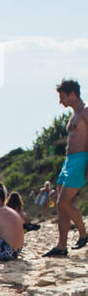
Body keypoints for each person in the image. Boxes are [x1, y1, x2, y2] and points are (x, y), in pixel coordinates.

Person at [45, 79, 88, 257]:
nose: (60, 101)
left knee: (64, 202)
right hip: (68, 161)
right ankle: (61, 246)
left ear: (72, 94)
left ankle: (84, 234)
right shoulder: (73, 115)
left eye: (62, 97)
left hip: (80, 160)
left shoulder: (86, 111)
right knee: (61, 206)